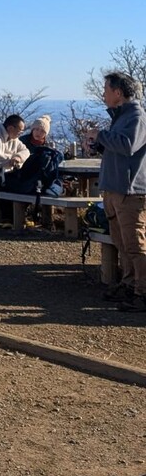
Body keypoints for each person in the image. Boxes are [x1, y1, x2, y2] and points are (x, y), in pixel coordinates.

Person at [93, 71, 146, 312]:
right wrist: (98, 144)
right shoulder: (121, 116)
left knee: (135, 244)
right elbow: (119, 150)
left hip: (130, 192)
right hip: (115, 189)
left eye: (106, 89)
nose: (103, 93)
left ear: (118, 92)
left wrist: (100, 136)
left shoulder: (136, 116)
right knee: (122, 243)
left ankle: (142, 292)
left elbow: (127, 146)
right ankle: (129, 284)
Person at [0, 116, 62, 223]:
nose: (38, 133)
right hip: (18, 173)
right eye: (36, 129)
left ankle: (31, 216)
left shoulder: (48, 149)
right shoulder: (21, 141)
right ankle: (9, 217)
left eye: (42, 131)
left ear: (46, 134)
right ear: (32, 129)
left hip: (35, 179)